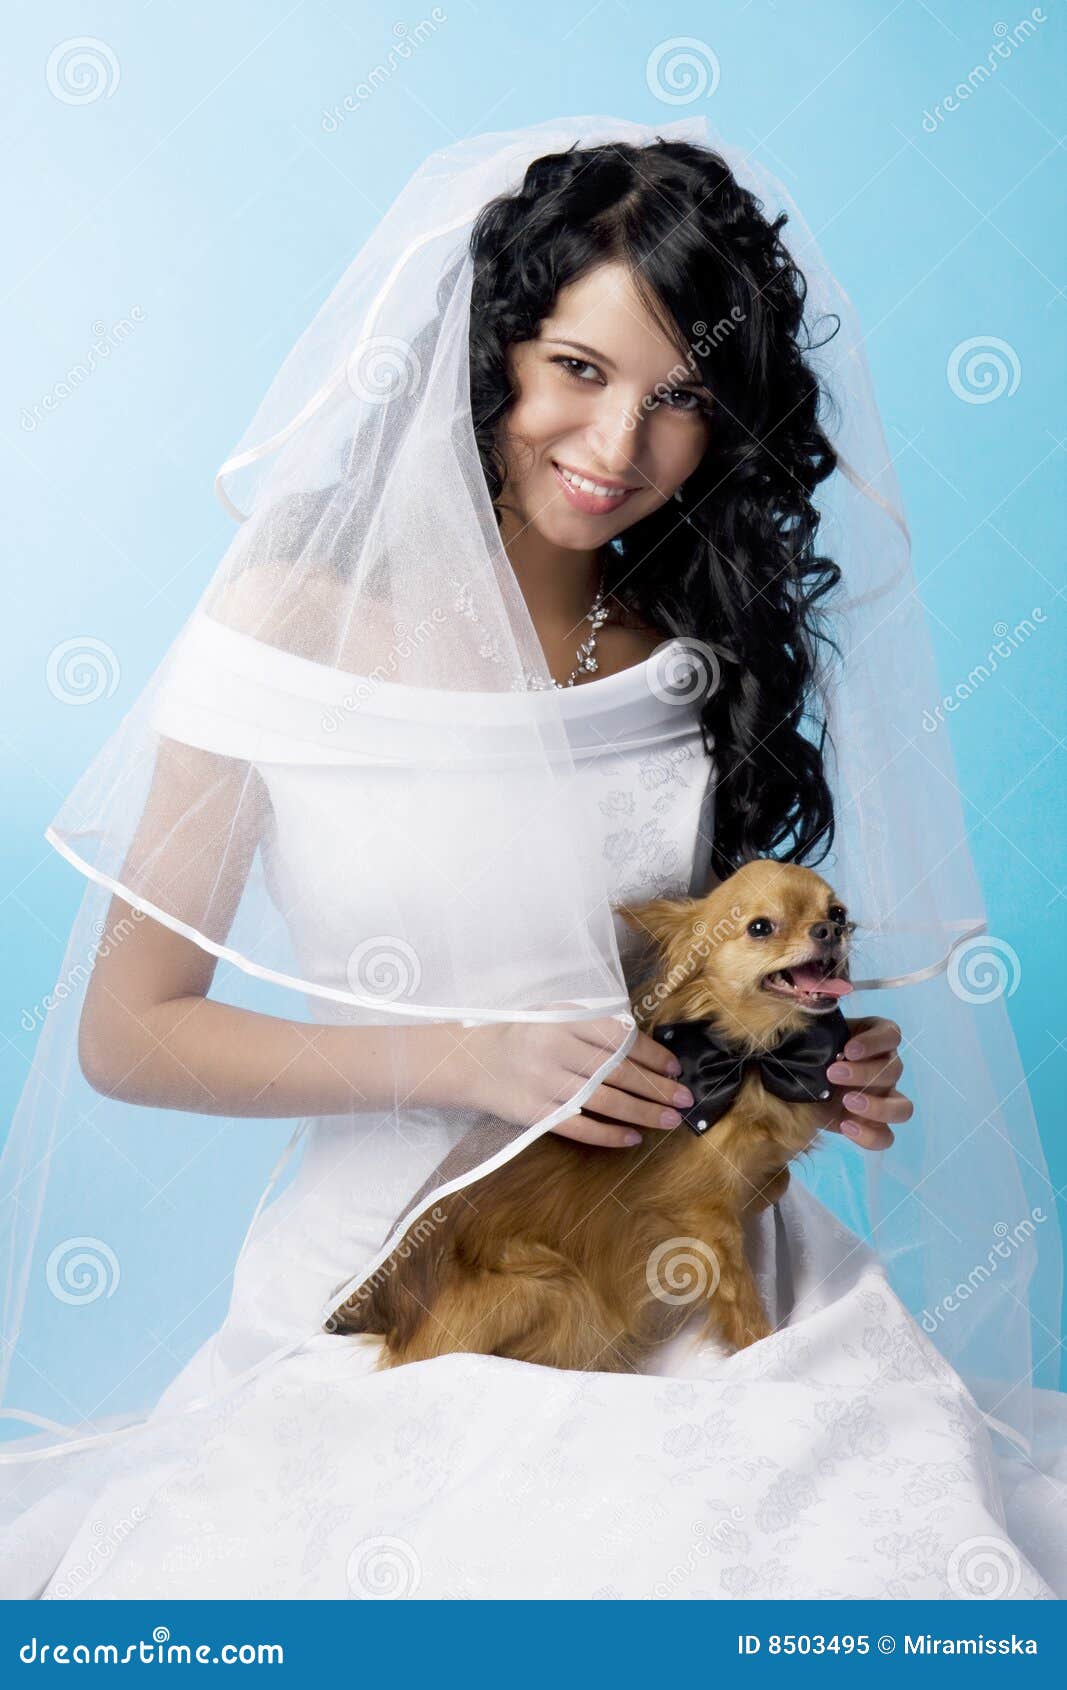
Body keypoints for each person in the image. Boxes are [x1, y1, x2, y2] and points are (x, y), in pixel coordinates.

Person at [1, 115, 1063, 1601]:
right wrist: (469, 1055)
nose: (617, 445)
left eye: (679, 396)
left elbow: (696, 975)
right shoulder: (285, 622)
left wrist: (805, 1046)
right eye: (578, 369)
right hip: (420, 1266)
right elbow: (129, 1031)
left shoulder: (686, 650)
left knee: (853, 1557)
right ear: (494, 349)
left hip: (694, 1252)